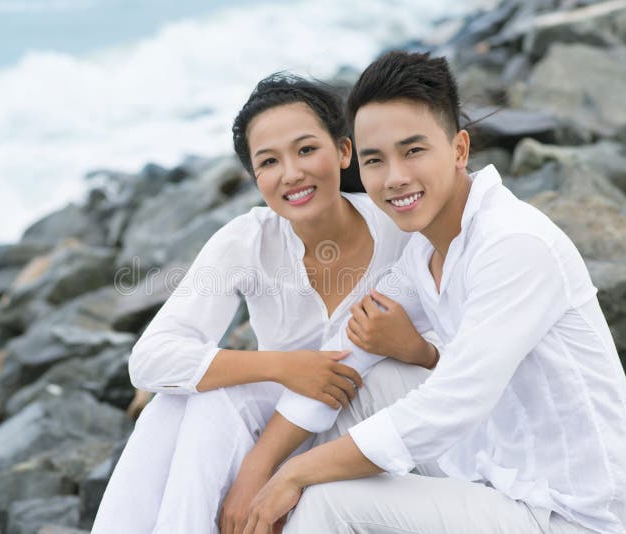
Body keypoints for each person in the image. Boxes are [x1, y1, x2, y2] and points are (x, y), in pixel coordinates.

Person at [238, 51, 626, 534]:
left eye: (413, 151)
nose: (394, 177)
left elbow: (452, 404)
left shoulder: (513, 244)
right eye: (375, 160)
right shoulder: (423, 252)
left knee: (326, 503)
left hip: (568, 515)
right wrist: (257, 472)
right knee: (361, 384)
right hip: (498, 472)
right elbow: (344, 355)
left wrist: (296, 474)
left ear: (459, 150)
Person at [91, 73, 439, 534]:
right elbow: (150, 361)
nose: (291, 173)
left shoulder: (399, 228)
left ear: (343, 151)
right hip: (275, 429)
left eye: (306, 149)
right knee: (173, 407)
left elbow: (459, 346)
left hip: (367, 427)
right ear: (255, 177)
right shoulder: (247, 241)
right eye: (269, 161)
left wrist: (415, 348)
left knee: (206, 405)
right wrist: (284, 365)